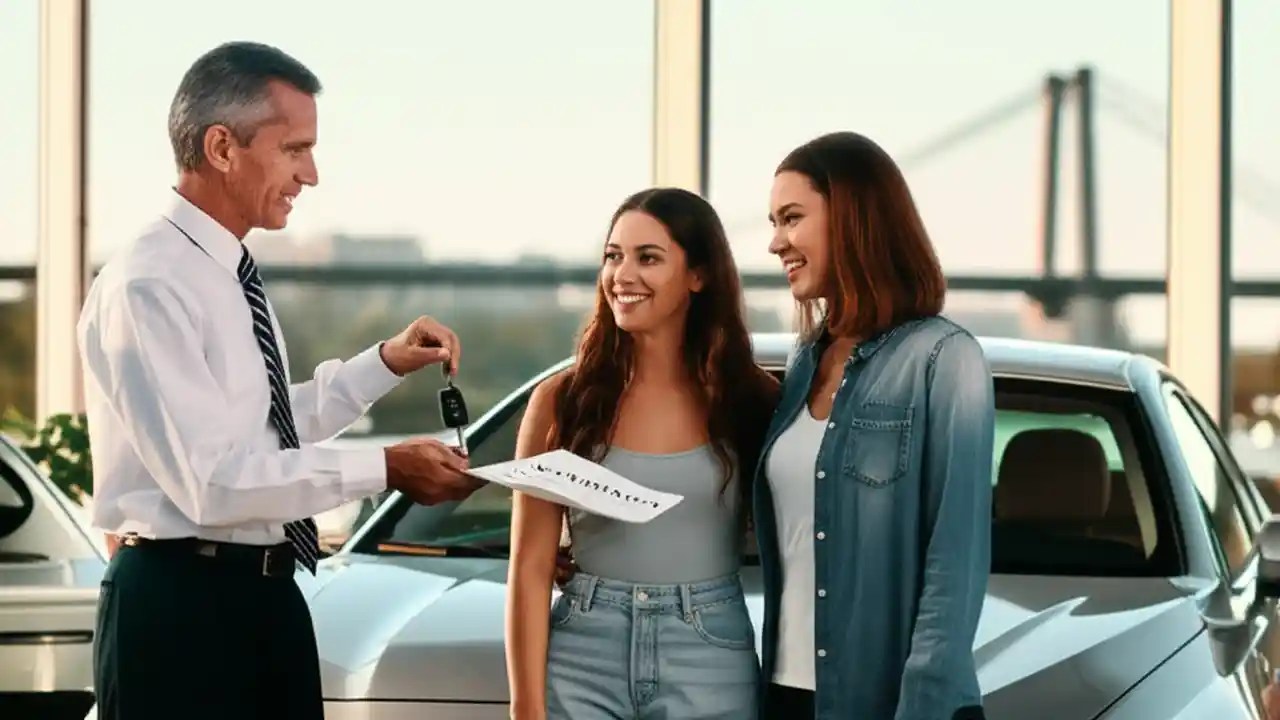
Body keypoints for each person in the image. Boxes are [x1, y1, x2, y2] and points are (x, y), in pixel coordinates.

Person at [77, 41, 482, 720]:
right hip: (181, 615)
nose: (312, 174)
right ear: (221, 147)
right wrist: (386, 466)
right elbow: (210, 482)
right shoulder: (148, 283)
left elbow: (264, 427)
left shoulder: (226, 270)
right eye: (294, 148)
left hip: (263, 598)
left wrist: (382, 363)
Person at [504, 187, 780, 719]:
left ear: (698, 275)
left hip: (709, 653)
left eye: (647, 258)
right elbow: (531, 567)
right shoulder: (562, 401)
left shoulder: (753, 400)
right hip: (582, 652)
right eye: (613, 256)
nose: (622, 276)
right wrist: (526, 709)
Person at [756, 131, 995, 719]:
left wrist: (924, 705)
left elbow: (954, 562)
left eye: (792, 218)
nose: (774, 242)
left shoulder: (945, 360)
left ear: (854, 219)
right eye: (773, 221)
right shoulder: (804, 361)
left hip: (888, 702)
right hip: (784, 695)